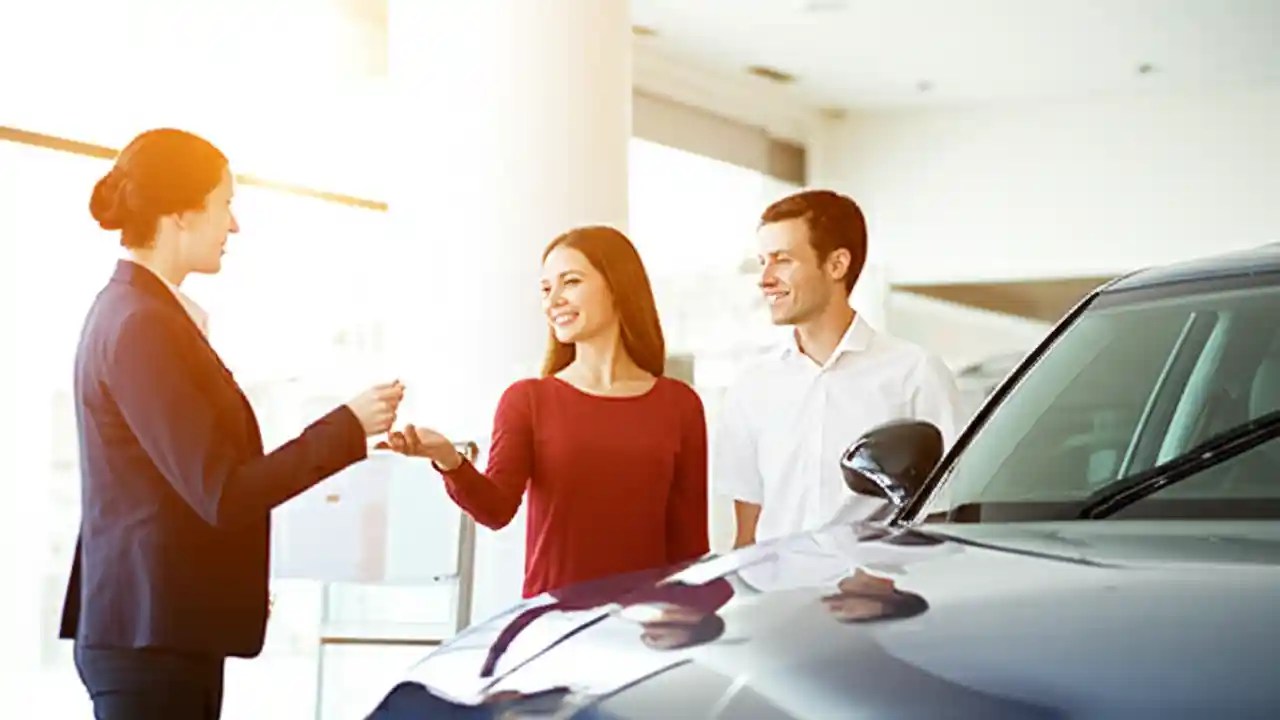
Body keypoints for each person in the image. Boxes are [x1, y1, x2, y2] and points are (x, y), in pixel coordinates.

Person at [59, 128, 404, 720]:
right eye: (225, 205)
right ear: (182, 213)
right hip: (149, 644)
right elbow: (222, 491)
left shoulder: (142, 313)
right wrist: (345, 428)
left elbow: (178, 491)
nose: (233, 226)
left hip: (163, 634)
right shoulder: (141, 323)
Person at [386, 226, 709, 598]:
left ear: (618, 286)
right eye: (545, 289)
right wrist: (448, 459)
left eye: (570, 282)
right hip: (553, 628)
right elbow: (495, 510)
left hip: (643, 631)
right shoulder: (528, 400)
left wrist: (690, 624)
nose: (553, 300)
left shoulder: (679, 405)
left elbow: (690, 546)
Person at [714, 189, 965, 548]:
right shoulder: (751, 386)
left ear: (836, 265)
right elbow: (746, 534)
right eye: (762, 261)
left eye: (782, 260)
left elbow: (947, 512)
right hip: (776, 596)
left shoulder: (915, 374)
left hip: (876, 595)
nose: (765, 278)